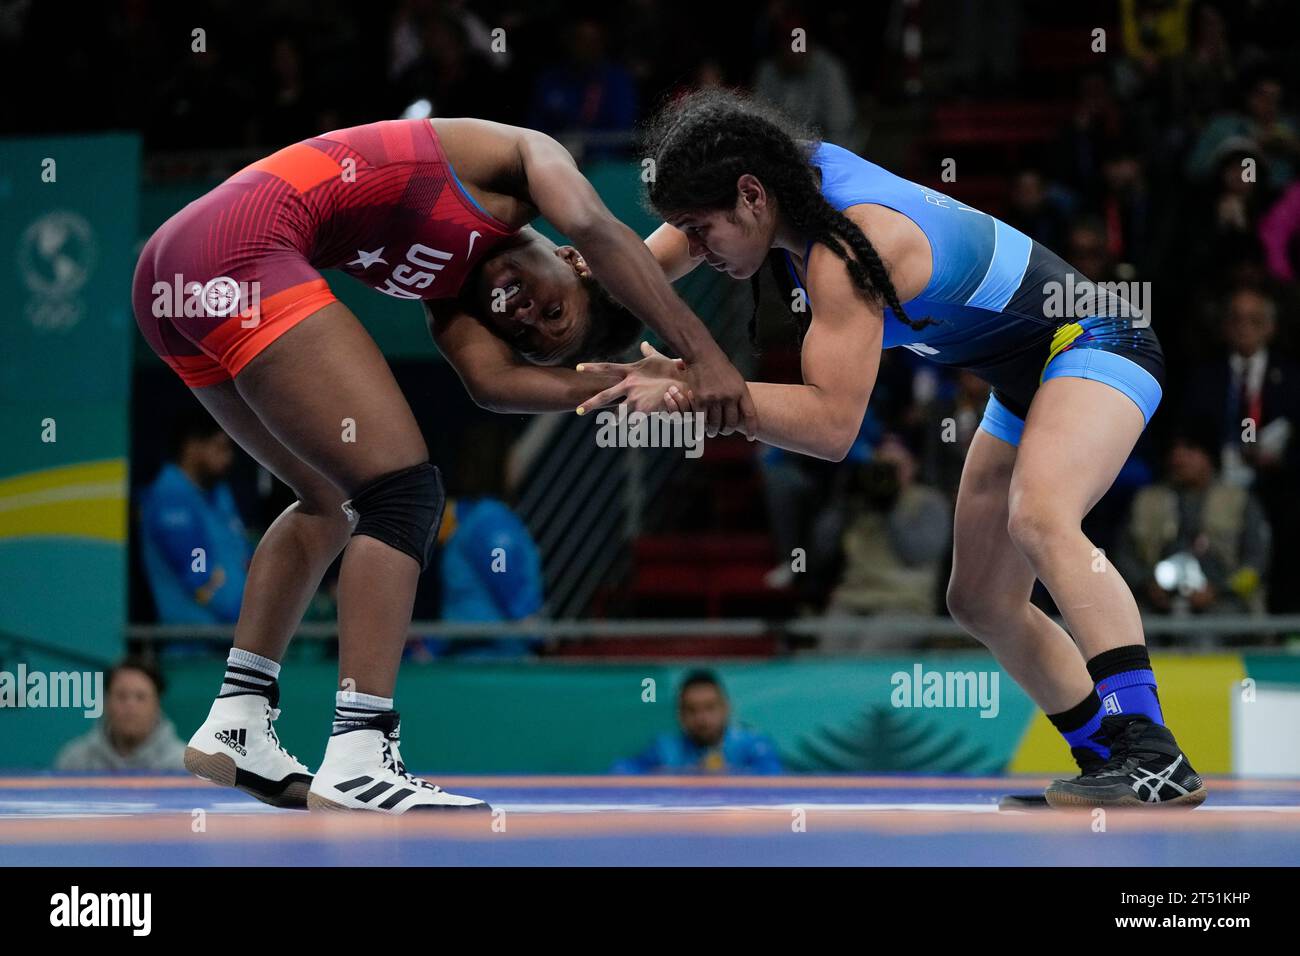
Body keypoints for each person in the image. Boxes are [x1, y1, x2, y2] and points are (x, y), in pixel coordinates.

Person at [582, 88, 1206, 808]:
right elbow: (655, 253)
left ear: (751, 197)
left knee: (1040, 517)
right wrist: (587, 286)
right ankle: (1106, 756)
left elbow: (829, 426)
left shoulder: (847, 254)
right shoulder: (782, 173)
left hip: (1097, 339)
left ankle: (1153, 754)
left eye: (700, 228)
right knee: (979, 600)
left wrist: (688, 392)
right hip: (1025, 373)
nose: (695, 246)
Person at [133, 116, 754, 814]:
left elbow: (493, 385)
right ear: (574, 262)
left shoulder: (450, 290)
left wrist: (614, 383)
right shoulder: (527, 160)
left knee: (330, 501)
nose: (525, 316)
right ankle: (360, 752)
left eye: (528, 333)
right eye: (552, 311)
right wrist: (703, 355)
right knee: (400, 494)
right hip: (233, 249)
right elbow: (599, 228)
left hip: (171, 277)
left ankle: (239, 719)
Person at [138, 409, 252, 625]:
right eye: (220, 447)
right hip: (192, 645)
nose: (229, 458)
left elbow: (244, 555)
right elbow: (198, 575)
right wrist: (259, 621)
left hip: (234, 639)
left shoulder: (219, 493)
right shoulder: (170, 495)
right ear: (192, 446)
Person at [612, 671, 782, 775]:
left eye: (710, 708)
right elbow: (620, 771)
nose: (701, 718)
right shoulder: (665, 749)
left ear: (726, 708)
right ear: (680, 714)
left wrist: (730, 773)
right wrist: (682, 774)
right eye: (692, 710)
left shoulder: (752, 745)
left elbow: (776, 776)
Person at [55, 660, 187, 772]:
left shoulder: (183, 765)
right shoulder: (75, 761)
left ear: (157, 704)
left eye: (140, 697)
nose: (130, 705)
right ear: (106, 702)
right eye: (121, 696)